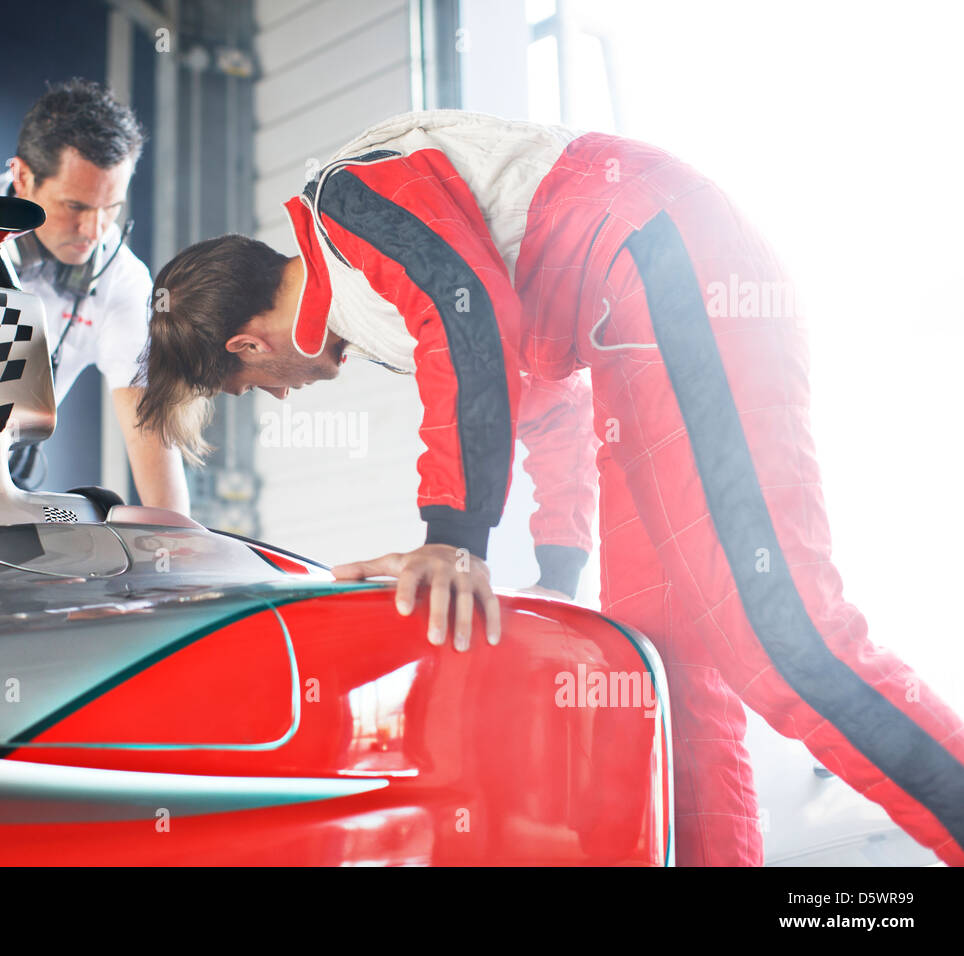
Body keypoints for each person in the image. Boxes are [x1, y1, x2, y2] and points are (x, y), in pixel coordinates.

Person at [132, 109, 964, 866]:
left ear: (245, 348)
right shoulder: (368, 309)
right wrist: (560, 569)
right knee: (660, 664)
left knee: (778, 634)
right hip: (625, 339)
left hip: (671, 263)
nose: (280, 394)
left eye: (251, 388)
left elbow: (470, 317)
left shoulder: (346, 203)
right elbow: (543, 396)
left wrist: (453, 540)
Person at [0, 77, 189, 512]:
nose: (95, 232)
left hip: (2, 474)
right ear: (22, 177)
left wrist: (179, 557)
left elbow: (152, 432)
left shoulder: (121, 281)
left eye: (112, 209)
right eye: (76, 207)